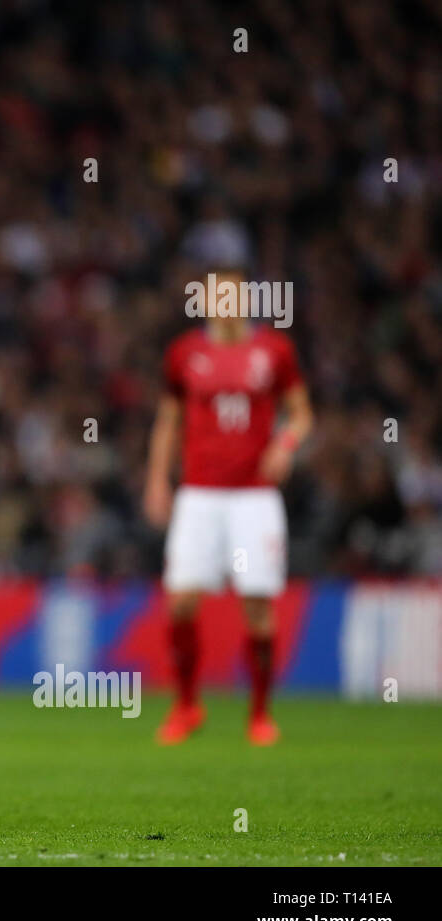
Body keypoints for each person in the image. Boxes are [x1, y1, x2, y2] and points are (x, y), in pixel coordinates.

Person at [143, 268, 314, 746]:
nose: (226, 304)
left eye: (234, 295)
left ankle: (260, 714)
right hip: (199, 493)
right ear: (204, 303)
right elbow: (168, 421)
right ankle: (186, 705)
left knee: (257, 603)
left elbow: (302, 413)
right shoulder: (184, 354)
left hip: (255, 495)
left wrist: (285, 444)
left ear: (248, 301)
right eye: (217, 296)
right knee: (180, 600)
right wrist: (157, 480)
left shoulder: (274, 352)